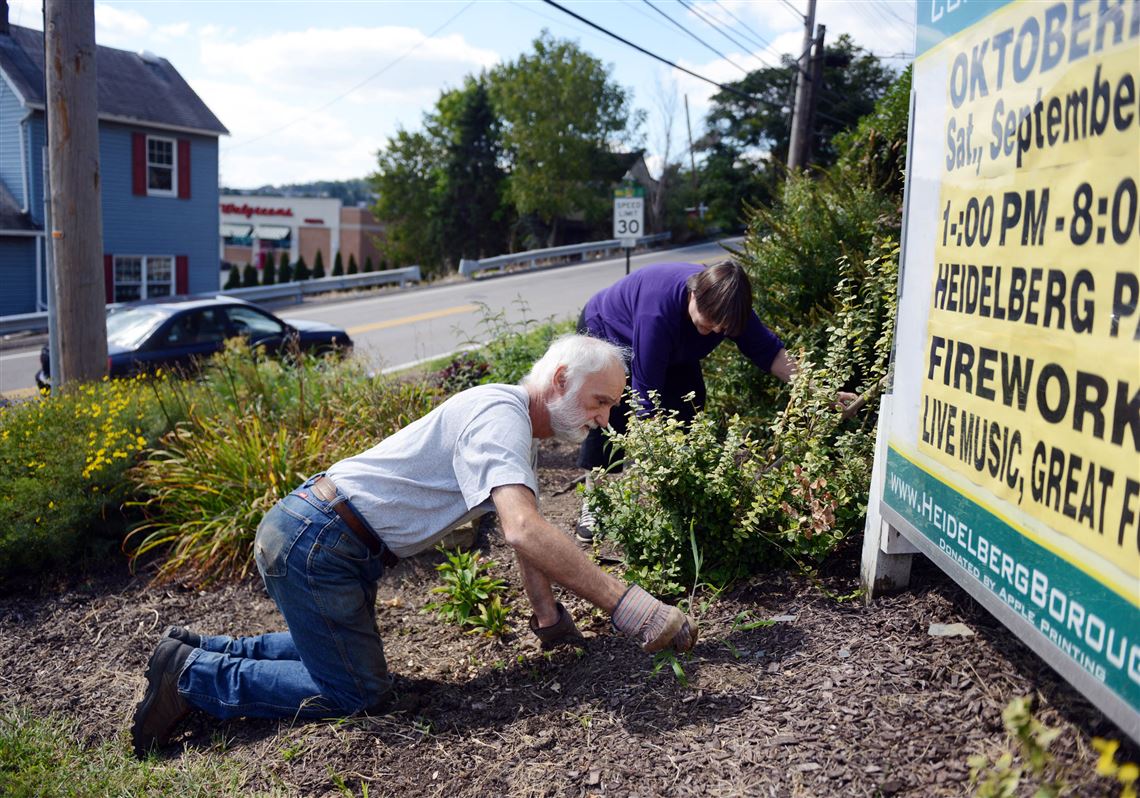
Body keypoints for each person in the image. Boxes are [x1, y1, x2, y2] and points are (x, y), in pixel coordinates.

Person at [131, 334, 698, 758]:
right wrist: (631, 608)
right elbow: (525, 530)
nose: (604, 419)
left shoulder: (509, 425)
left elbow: (524, 537)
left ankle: (194, 649)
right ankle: (191, 678)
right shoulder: (500, 417)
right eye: (600, 401)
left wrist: (548, 620)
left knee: (338, 656)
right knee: (356, 693)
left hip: (320, 532)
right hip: (321, 540)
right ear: (560, 378)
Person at [574, 259, 823, 541]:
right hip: (608, 332)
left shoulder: (729, 303)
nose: (715, 329)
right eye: (710, 320)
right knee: (611, 411)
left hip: (673, 348)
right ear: (693, 294)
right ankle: (594, 502)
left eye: (723, 327)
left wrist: (819, 392)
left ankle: (681, 501)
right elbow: (645, 393)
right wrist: (658, 459)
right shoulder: (658, 311)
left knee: (688, 404)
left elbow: (770, 353)